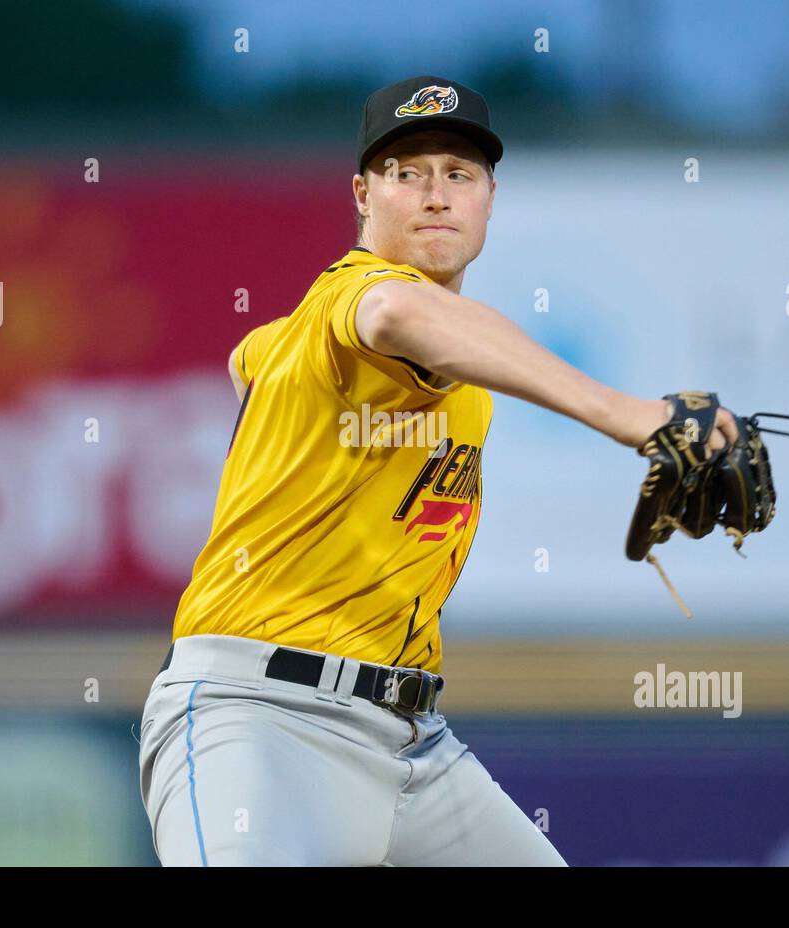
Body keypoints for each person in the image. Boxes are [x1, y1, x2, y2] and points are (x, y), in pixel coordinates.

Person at [138, 75, 737, 866]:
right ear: (362, 194)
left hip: (413, 745)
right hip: (259, 718)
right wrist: (629, 415)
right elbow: (395, 314)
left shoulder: (353, 346)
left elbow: (250, 358)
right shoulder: (359, 301)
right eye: (406, 171)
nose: (435, 195)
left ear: (491, 197)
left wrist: (270, 378)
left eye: (459, 174)